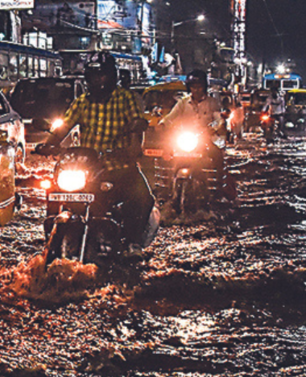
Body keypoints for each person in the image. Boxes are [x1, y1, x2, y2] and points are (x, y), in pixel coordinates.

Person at [39, 51, 154, 255]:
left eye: (102, 75)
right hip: (86, 169)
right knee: (54, 192)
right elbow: (63, 126)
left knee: (143, 199)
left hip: (118, 166)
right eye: (94, 76)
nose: (98, 80)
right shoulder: (82, 102)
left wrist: (132, 150)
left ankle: (132, 243)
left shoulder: (126, 99)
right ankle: (49, 239)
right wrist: (48, 144)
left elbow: (137, 126)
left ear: (112, 76)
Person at [159, 70, 235, 198]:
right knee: (166, 157)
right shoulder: (183, 103)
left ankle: (218, 186)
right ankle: (165, 187)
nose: (196, 90)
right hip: (184, 140)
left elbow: (218, 119)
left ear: (204, 87)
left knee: (217, 156)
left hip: (204, 140)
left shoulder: (212, 103)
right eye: (193, 87)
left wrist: (213, 127)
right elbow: (171, 116)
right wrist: (162, 124)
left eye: (199, 87)